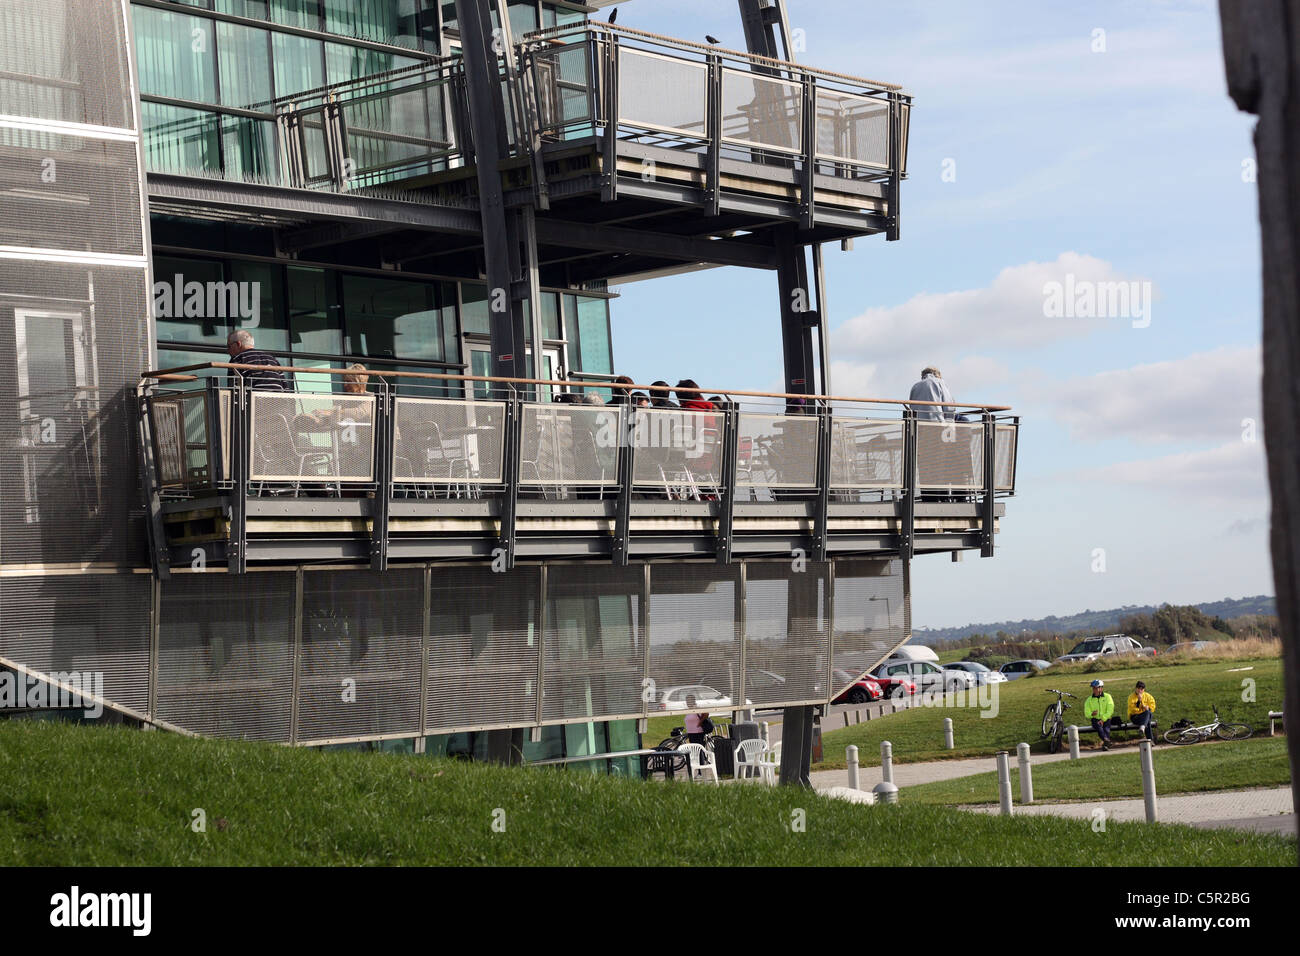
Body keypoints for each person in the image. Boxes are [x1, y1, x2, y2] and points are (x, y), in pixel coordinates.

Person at [1084, 678, 1115, 750]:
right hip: (1095, 719)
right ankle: (1106, 741)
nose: (1094, 690)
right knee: (1099, 726)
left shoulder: (1108, 697)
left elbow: (1110, 709)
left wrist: (1103, 719)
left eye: (1096, 688)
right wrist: (1091, 714)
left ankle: (1105, 744)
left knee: (1106, 729)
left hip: (1106, 718)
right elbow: (1086, 713)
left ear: (1101, 688)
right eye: (1093, 688)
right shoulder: (1089, 699)